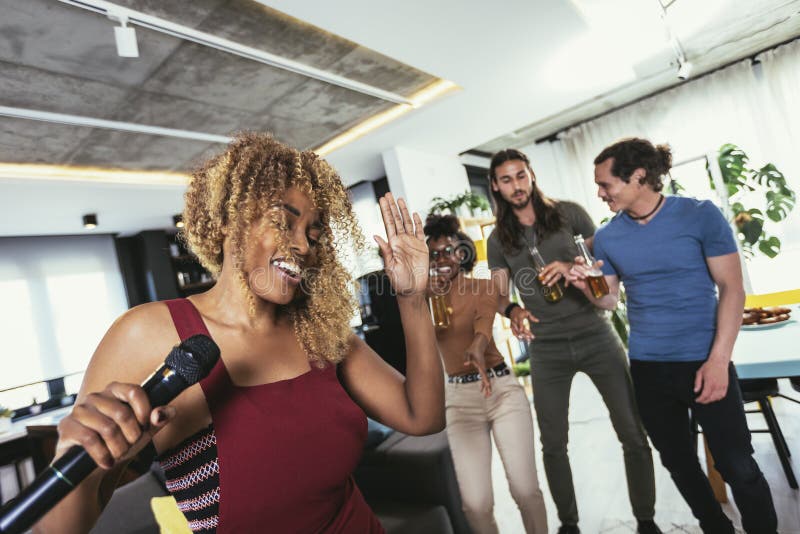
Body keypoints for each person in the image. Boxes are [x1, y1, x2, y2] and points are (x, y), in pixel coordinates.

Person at [34, 133, 445, 533]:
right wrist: (71, 457)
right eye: (283, 222)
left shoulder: (319, 333)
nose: (303, 246)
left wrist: (412, 297)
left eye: (314, 233)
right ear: (229, 221)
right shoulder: (148, 334)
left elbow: (422, 415)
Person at [572, 137, 777, 533]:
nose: (599, 193)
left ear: (638, 176)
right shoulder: (609, 237)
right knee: (678, 463)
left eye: (605, 184)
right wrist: (587, 286)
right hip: (648, 367)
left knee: (736, 463)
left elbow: (732, 289)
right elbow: (609, 299)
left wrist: (718, 361)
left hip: (705, 359)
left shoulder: (699, 216)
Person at [486, 148, 660, 534]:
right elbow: (498, 296)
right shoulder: (498, 240)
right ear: (495, 187)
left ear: (531, 175)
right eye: (506, 179)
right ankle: (569, 524)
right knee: (552, 443)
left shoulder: (570, 214)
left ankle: (646, 520)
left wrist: (571, 267)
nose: (516, 185)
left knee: (632, 432)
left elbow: (603, 268)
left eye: (520, 175)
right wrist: (512, 310)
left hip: (596, 333)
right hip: (546, 348)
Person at [424, 214, 548, 534]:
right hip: (460, 402)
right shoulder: (425, 299)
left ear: (463, 252)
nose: (442, 259)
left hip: (501, 390)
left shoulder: (482, 287)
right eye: (434, 253)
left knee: (525, 490)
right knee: (475, 505)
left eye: (449, 250)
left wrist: (481, 342)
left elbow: (487, 317)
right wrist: (420, 293)